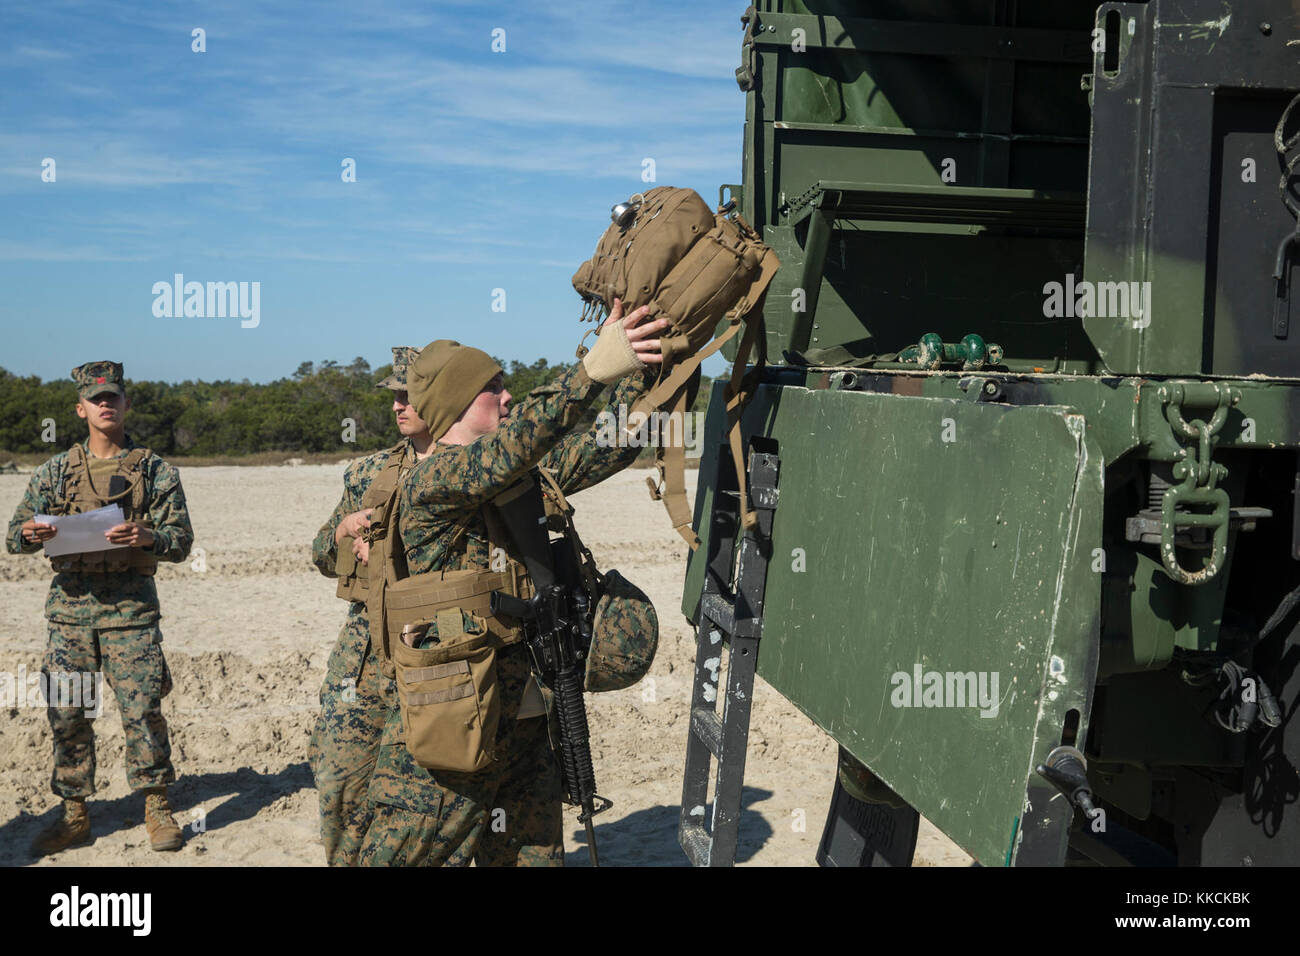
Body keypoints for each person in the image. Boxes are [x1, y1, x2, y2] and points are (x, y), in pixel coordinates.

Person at [358, 300, 668, 866]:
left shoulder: (521, 476)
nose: (507, 398)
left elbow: (614, 442)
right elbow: (512, 447)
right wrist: (591, 369)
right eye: (492, 389)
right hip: (451, 727)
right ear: (454, 405)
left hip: (525, 719)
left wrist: (643, 362)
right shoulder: (435, 479)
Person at [6, 361, 194, 855]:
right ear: (81, 408)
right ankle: (73, 814)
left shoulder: (155, 470)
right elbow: (13, 536)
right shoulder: (54, 471)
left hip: (131, 612)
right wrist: (31, 533)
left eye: (113, 397)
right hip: (70, 614)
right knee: (68, 715)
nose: (105, 404)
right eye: (96, 399)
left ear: (126, 404)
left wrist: (149, 535)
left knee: (142, 711)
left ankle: (155, 807)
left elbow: (182, 541)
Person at [307, 346, 433, 866]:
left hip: (433, 653)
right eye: (395, 396)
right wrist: (342, 532)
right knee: (338, 783)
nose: (400, 405)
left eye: (410, 394)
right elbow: (319, 551)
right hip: (362, 658)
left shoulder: (476, 469)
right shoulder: (368, 473)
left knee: (420, 805)